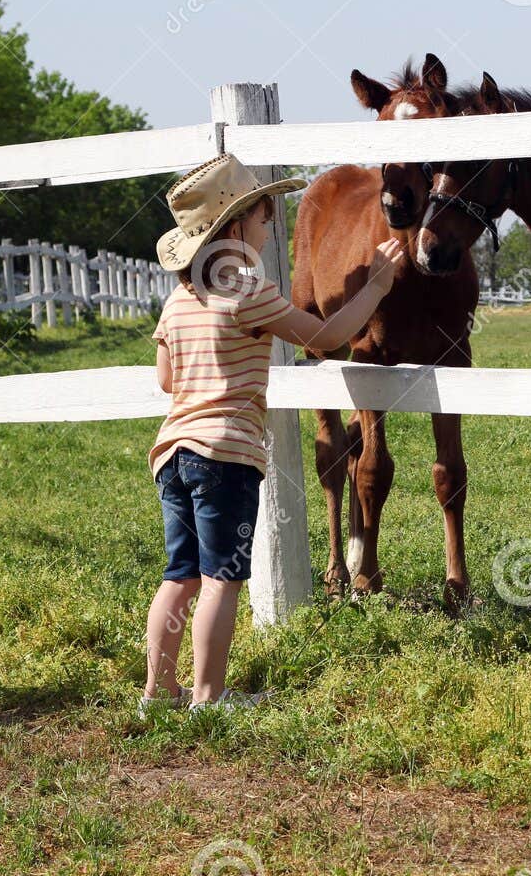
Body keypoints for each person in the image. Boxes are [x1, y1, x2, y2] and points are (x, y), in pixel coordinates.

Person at [141, 154, 405, 714]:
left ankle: (158, 691)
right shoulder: (247, 292)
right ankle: (209, 695)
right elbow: (327, 334)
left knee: (181, 575)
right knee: (222, 579)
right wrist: (376, 286)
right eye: (264, 217)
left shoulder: (178, 298)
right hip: (225, 456)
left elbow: (166, 380)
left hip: (172, 454)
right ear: (235, 227)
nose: (271, 227)